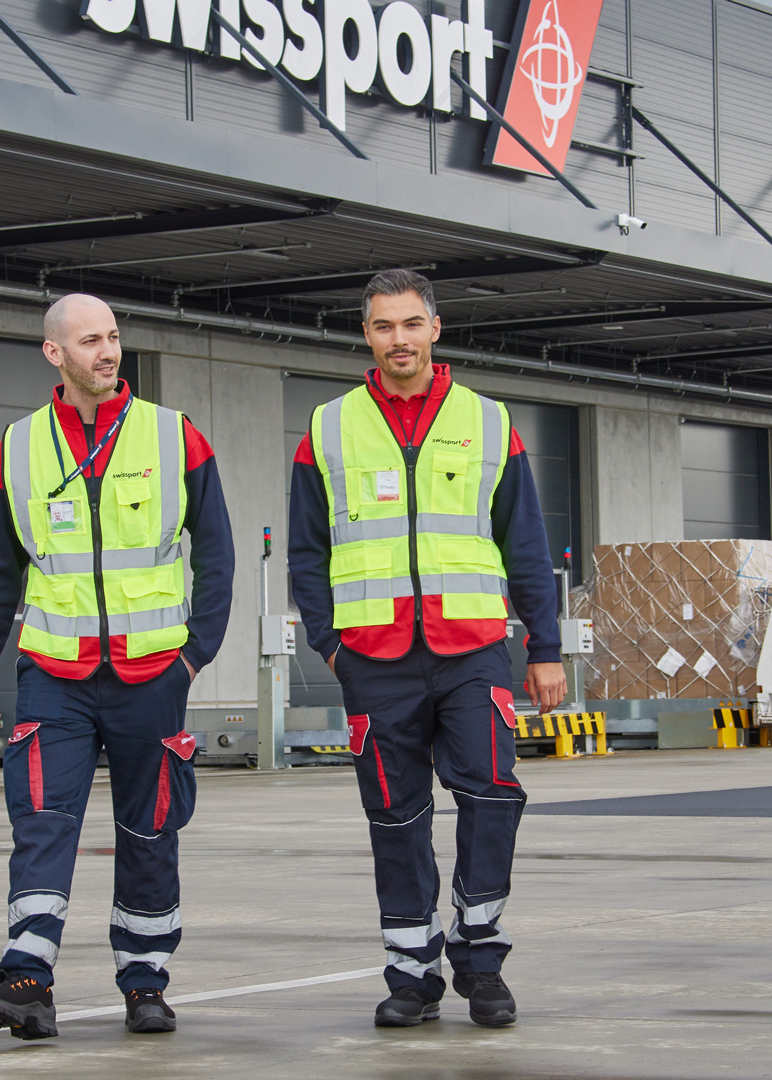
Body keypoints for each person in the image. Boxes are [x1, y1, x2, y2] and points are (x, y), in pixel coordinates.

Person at [288, 268, 565, 1029]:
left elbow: (525, 544)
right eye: (384, 326)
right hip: (373, 658)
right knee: (395, 815)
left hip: (471, 648)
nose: (399, 339)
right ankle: (411, 974)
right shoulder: (328, 428)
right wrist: (331, 645)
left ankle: (481, 957)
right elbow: (307, 553)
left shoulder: (488, 421)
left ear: (435, 328)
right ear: (366, 334)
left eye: (411, 324)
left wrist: (545, 647)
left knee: (492, 795)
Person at [0, 293, 234, 1039]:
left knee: (150, 829)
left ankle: (145, 983)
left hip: (153, 675)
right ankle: (27, 979)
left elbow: (216, 552)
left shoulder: (174, 435)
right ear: (54, 353)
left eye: (113, 336)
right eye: (90, 341)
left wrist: (194, 654)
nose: (108, 351)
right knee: (41, 822)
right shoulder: (17, 448)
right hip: (55, 676)